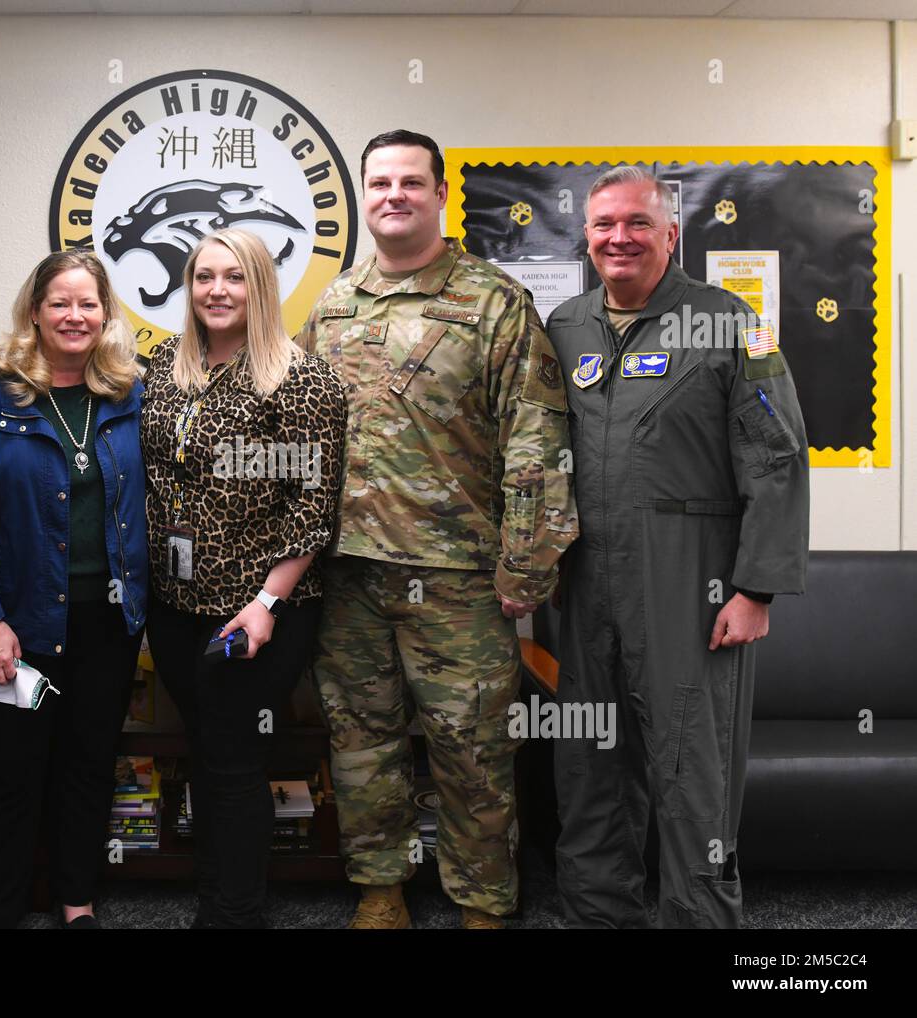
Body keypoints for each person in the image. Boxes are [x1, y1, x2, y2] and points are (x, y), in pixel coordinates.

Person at [297, 130, 578, 930]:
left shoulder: (492, 302)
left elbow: (537, 441)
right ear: (364, 194)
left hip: (459, 576)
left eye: (410, 182)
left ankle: (483, 901)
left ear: (440, 194)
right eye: (379, 181)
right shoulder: (336, 303)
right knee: (361, 741)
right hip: (348, 571)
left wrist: (527, 567)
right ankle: (380, 887)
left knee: (473, 751)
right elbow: (309, 432)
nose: (394, 195)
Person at [544, 166, 810, 929]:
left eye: (635, 223)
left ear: (671, 234)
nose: (617, 237)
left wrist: (756, 588)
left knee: (692, 768)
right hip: (587, 582)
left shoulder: (735, 324)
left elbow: (779, 458)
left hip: (692, 582)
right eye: (603, 225)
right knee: (587, 764)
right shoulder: (564, 327)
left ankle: (697, 921)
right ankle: (600, 916)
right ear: (586, 236)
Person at [0, 251, 147, 930]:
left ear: (106, 314)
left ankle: (77, 904)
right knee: (8, 777)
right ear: (35, 312)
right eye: (60, 303)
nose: (74, 316)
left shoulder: (131, 395)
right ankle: (0, 912)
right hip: (13, 628)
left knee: (88, 768)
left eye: (88, 304)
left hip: (106, 626)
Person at [142, 228, 346, 929]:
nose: (217, 291)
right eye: (203, 277)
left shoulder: (301, 378)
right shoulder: (166, 363)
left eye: (234, 277)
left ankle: (235, 914)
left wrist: (265, 603)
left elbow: (314, 506)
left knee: (232, 761)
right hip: (175, 603)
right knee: (204, 752)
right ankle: (217, 897)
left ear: (261, 287)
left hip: (258, 611)